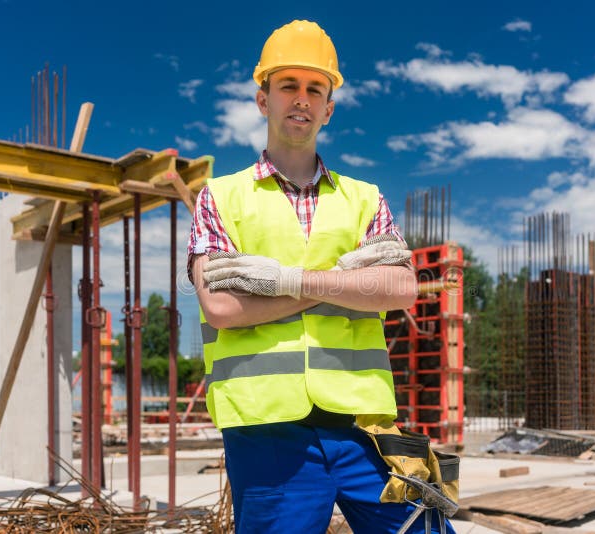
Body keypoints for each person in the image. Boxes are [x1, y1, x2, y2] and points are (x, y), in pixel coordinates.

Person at [187, 19, 456, 533]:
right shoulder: (220, 197)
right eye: (288, 84)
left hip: (368, 426)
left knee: (429, 527)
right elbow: (221, 308)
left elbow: (400, 289)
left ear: (329, 108)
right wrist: (348, 283)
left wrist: (284, 280)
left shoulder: (365, 198)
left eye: (316, 88)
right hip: (265, 430)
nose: (302, 99)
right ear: (263, 99)